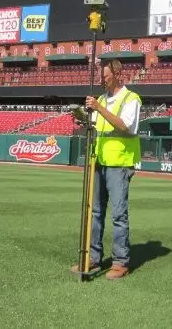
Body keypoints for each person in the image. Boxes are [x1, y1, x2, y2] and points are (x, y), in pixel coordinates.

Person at [71, 59, 142, 280]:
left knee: (119, 215)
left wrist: (99, 108)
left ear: (118, 75)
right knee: (95, 212)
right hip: (98, 160)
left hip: (119, 163)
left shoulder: (131, 99)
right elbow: (95, 127)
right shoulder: (100, 99)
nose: (102, 80)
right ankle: (93, 259)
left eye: (106, 76)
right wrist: (82, 118)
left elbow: (127, 127)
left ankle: (121, 262)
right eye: (101, 76)